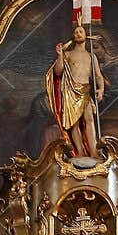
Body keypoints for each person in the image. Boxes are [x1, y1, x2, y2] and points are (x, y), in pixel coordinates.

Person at [45, 21, 105, 159]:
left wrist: (101, 89)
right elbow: (58, 72)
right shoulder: (68, 54)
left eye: (81, 31)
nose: (78, 34)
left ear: (86, 35)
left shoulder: (91, 56)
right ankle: (80, 152)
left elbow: (98, 75)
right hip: (71, 91)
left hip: (85, 90)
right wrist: (60, 55)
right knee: (74, 124)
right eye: (76, 32)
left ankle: (93, 151)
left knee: (89, 120)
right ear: (73, 36)